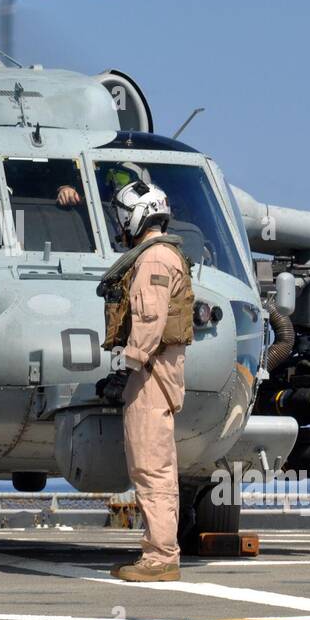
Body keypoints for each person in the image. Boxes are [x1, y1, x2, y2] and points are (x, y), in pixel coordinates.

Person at [96, 180, 194, 582]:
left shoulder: (153, 259)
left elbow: (150, 322)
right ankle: (160, 551)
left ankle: (160, 558)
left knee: (151, 467)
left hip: (150, 372)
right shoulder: (164, 254)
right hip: (158, 369)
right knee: (156, 465)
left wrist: (128, 366)